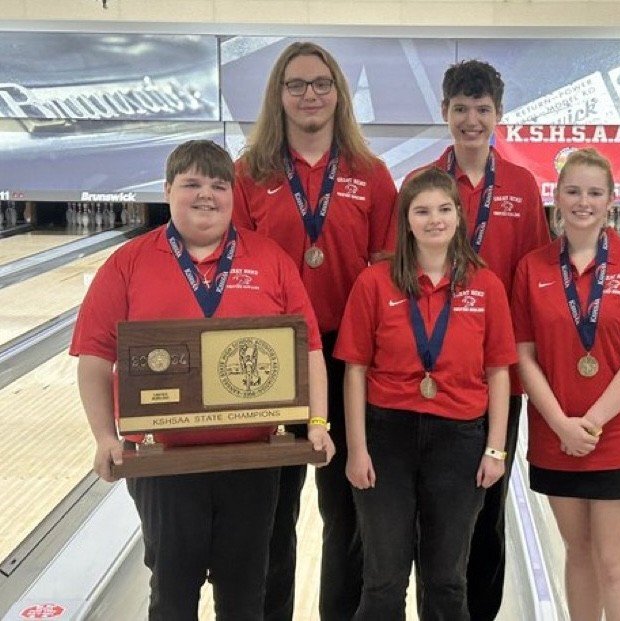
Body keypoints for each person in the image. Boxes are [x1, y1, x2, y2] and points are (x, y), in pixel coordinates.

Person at [70, 139, 334, 620]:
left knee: (245, 595)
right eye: (191, 183)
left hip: (250, 459)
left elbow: (309, 348)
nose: (206, 195)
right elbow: (93, 358)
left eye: (218, 185)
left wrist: (317, 421)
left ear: (233, 194)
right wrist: (104, 437)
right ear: (167, 190)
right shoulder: (128, 262)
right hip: (164, 463)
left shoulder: (270, 258)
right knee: (172, 592)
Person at [232, 41, 398, 621]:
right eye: (297, 84)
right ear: (278, 95)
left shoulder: (371, 175)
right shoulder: (249, 174)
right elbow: (234, 272)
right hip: (271, 358)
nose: (310, 95)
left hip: (348, 359)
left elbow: (385, 275)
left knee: (346, 512)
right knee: (272, 513)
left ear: (339, 94)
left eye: (321, 84)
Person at [396, 59, 551, 620]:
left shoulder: (522, 186)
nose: (471, 120)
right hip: (429, 371)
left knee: (487, 507)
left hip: (496, 375)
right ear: (444, 111)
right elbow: (398, 271)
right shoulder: (419, 184)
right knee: (429, 513)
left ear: (498, 113)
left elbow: (533, 278)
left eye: (482, 109)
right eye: (460, 109)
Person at [336, 167, 517, 620]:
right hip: (387, 437)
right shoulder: (375, 282)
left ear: (458, 216)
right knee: (383, 579)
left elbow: (499, 372)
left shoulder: (486, 285)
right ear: (406, 220)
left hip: (459, 440)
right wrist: (357, 449)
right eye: (422, 211)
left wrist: (496, 449)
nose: (434, 220)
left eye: (443, 209)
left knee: (447, 581)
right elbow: (355, 371)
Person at [513, 148, 620, 620]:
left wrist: (591, 423)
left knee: (614, 562)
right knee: (577, 553)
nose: (584, 202)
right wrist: (562, 425)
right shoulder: (532, 267)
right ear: (557, 197)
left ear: (610, 199)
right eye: (573, 191)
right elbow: (523, 355)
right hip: (556, 435)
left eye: (595, 193)